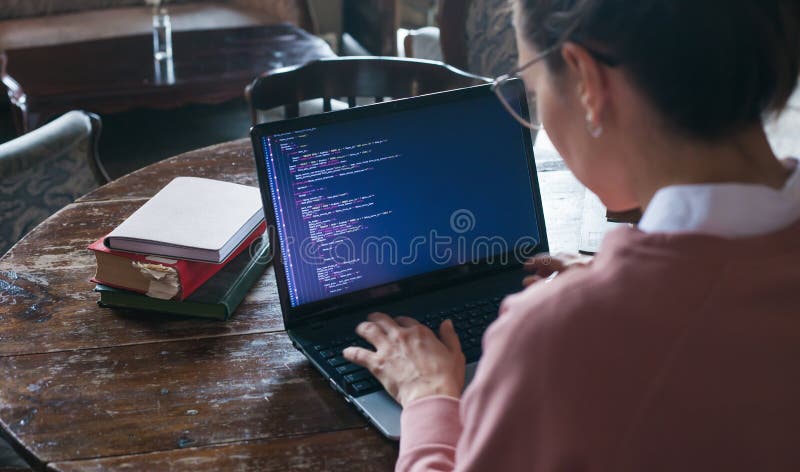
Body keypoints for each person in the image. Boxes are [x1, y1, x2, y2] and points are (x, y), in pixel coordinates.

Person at [342, 0, 800, 470]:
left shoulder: (558, 340)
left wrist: (428, 397)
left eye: (534, 90)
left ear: (587, 81)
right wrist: (626, 284)